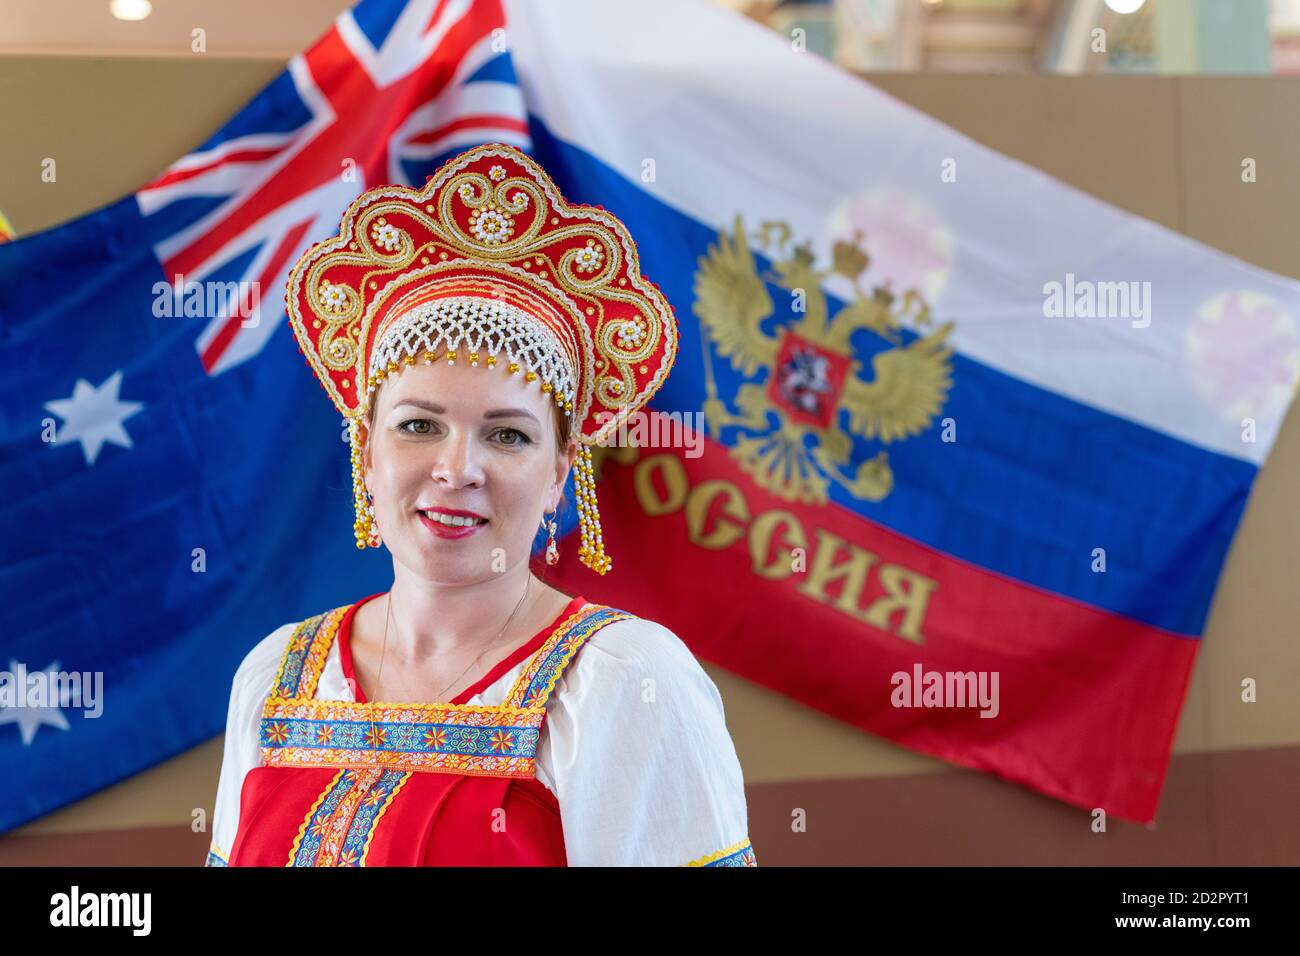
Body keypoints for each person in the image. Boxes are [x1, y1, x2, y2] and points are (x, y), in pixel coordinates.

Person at [204, 143, 756, 867]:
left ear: (560, 473)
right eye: (419, 426)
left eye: (506, 434)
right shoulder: (274, 673)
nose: (457, 469)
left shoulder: (624, 680)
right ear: (366, 449)